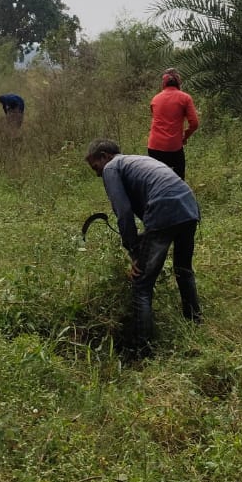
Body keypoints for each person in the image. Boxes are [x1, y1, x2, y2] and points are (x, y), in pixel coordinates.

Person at [85, 138, 202, 354]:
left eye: (95, 166)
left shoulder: (112, 168)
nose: (97, 173)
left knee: (141, 284)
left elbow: (123, 212)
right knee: (184, 270)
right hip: (188, 206)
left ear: (104, 156)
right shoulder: (135, 161)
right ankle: (195, 323)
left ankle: (143, 349)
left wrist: (134, 252)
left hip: (165, 208)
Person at [147, 68, 200, 179]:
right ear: (179, 82)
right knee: (178, 181)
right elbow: (194, 123)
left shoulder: (155, 99)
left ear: (164, 83)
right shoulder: (185, 98)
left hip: (154, 147)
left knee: (156, 180)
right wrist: (185, 136)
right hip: (173, 148)